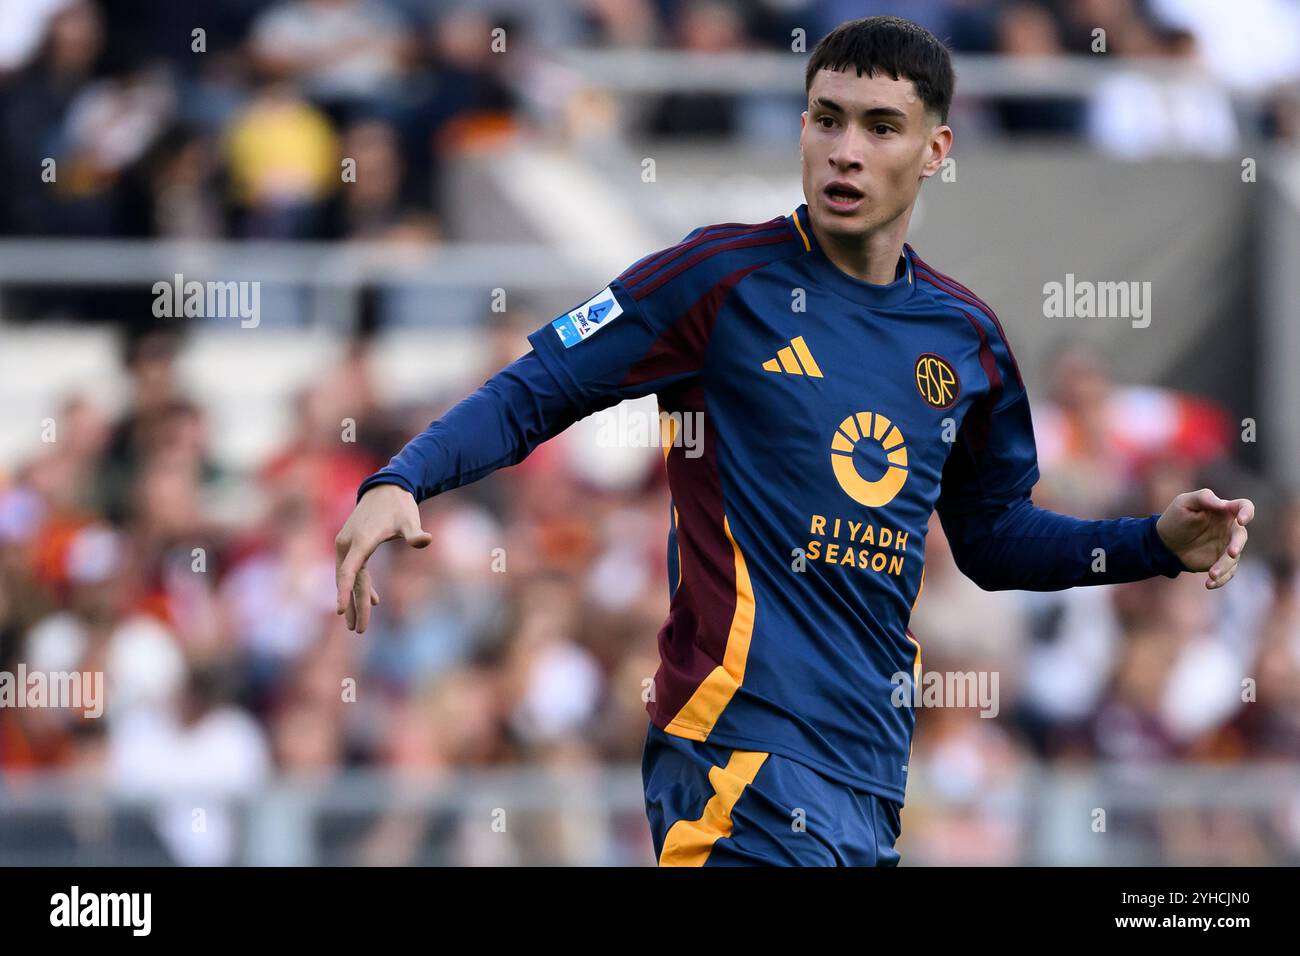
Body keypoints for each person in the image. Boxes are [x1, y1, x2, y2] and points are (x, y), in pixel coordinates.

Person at [334, 16, 1255, 866]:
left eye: (881, 127)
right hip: (734, 749)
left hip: (868, 772)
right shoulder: (718, 279)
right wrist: (402, 475)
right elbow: (535, 391)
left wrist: (1150, 544)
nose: (846, 151)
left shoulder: (964, 340)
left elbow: (995, 536)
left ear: (937, 148)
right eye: (827, 119)